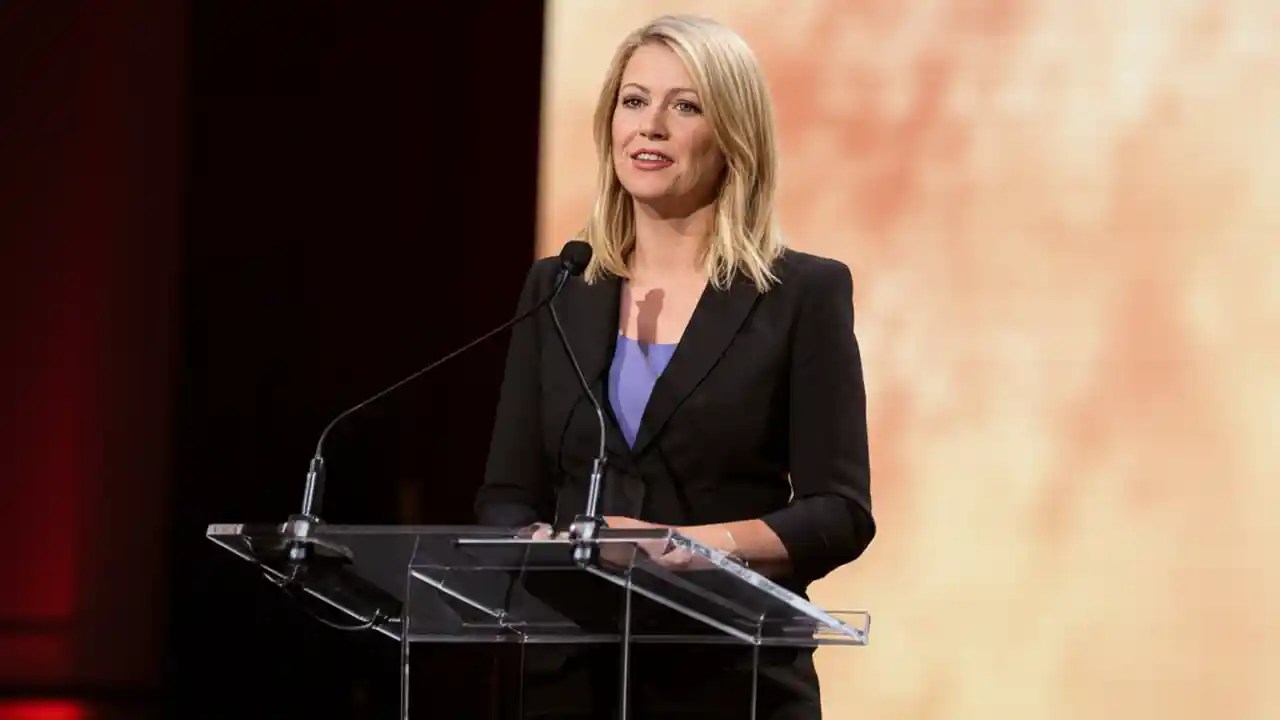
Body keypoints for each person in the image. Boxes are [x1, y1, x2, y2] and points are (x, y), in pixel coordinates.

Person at [474, 13, 875, 719]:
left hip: (729, 679)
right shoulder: (560, 287)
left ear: (732, 135)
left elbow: (838, 513)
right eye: (634, 101)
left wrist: (684, 548)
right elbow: (507, 494)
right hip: (572, 681)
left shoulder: (800, 296)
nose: (650, 125)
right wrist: (534, 544)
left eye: (684, 105)